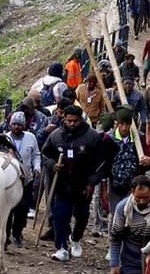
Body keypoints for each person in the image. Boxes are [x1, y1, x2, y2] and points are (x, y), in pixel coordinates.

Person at [41, 104, 107, 262]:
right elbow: (45, 154)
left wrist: (92, 181)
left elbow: (101, 163)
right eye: (69, 120)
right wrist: (52, 165)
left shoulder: (92, 137)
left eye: (75, 121)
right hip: (62, 184)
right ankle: (61, 247)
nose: (72, 124)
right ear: (64, 118)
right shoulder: (56, 135)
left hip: (83, 185)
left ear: (80, 120)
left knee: (82, 216)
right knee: (60, 216)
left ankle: (76, 238)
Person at [5, 111, 41, 248]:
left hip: (26, 179)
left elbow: (36, 155)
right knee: (7, 209)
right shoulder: (5, 138)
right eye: (14, 124)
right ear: (10, 125)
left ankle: (17, 232)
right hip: (8, 180)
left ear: (24, 125)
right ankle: (5, 235)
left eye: (19, 125)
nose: (16, 127)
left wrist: (37, 167)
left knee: (22, 208)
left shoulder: (31, 138)